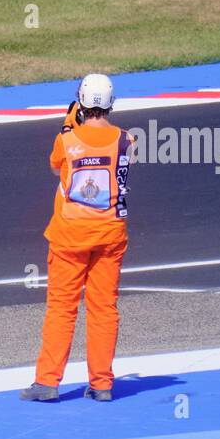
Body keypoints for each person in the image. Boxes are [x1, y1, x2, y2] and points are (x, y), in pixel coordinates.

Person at [21, 73, 134, 403]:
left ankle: (47, 381)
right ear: (111, 104)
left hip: (71, 235)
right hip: (110, 232)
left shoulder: (67, 140)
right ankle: (102, 383)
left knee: (61, 308)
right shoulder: (126, 140)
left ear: (81, 102)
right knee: (103, 309)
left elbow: (56, 167)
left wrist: (69, 125)